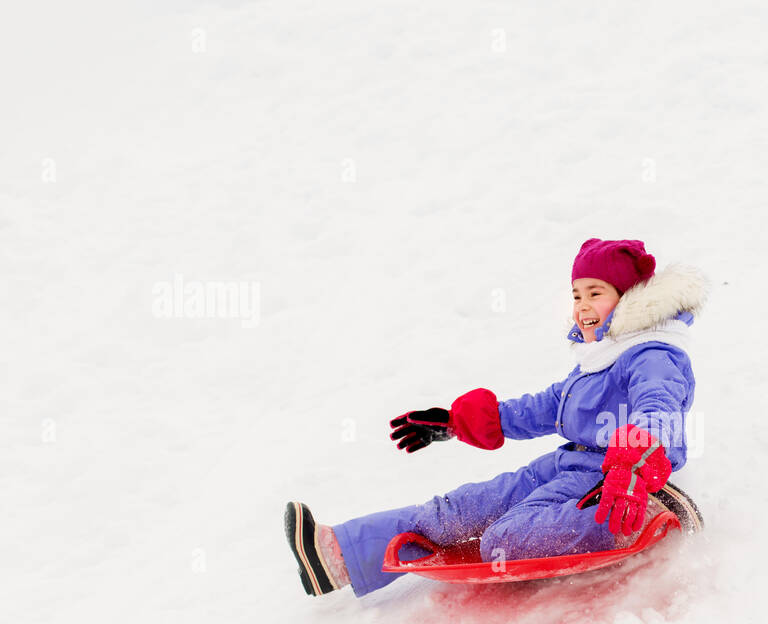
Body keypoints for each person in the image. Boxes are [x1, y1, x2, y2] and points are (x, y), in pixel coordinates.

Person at [285, 237, 709, 597]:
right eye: (577, 295)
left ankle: (646, 514)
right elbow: (545, 406)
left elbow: (660, 409)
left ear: (629, 298)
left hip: (617, 481)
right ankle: (337, 556)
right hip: (563, 467)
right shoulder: (597, 359)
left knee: (502, 541)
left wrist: (637, 464)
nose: (582, 306)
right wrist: (456, 422)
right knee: (453, 510)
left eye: (596, 292)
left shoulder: (654, 355)